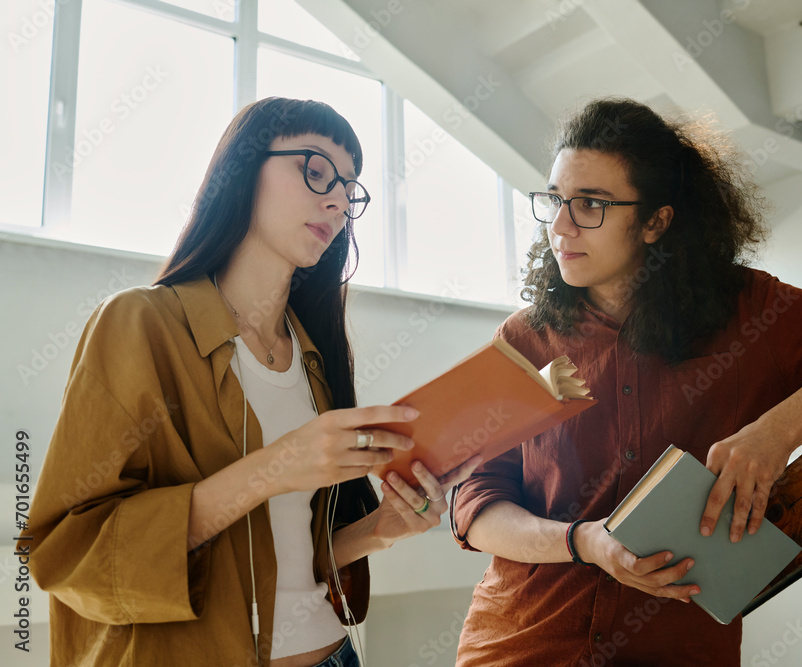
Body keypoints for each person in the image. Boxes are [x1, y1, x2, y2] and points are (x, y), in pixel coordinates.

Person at [451, 98, 802, 666]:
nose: (560, 227)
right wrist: (583, 542)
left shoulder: (749, 312)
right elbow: (475, 503)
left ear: (657, 221)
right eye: (555, 200)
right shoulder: (523, 337)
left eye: (590, 204)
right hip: (517, 647)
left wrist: (777, 432)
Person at [21, 97, 481, 667]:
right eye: (315, 170)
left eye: (350, 190)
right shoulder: (139, 323)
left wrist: (382, 528)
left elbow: (283, 559)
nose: (338, 200)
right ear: (243, 168)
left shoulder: (314, 355)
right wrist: (274, 467)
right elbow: (65, 555)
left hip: (335, 656)